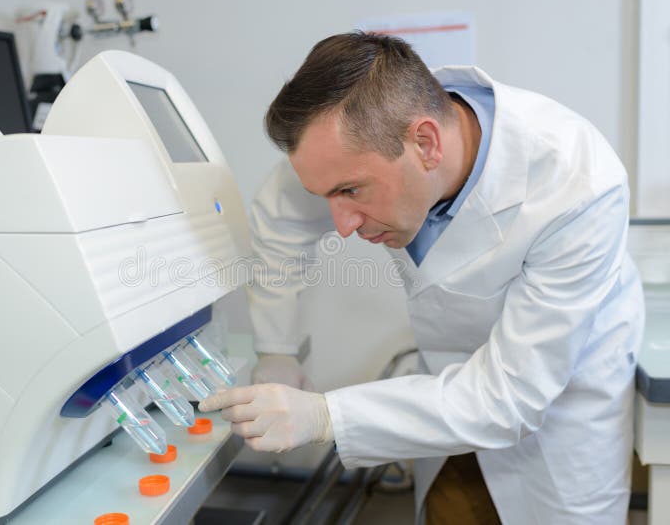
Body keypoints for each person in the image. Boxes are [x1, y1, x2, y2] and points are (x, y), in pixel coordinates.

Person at [198, 32, 644, 524]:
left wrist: (326, 415)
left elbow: (508, 398)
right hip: (443, 391)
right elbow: (280, 220)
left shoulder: (578, 186)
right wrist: (276, 348)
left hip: (558, 407)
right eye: (328, 195)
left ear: (426, 143)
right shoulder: (352, 142)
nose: (342, 226)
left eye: (351, 190)